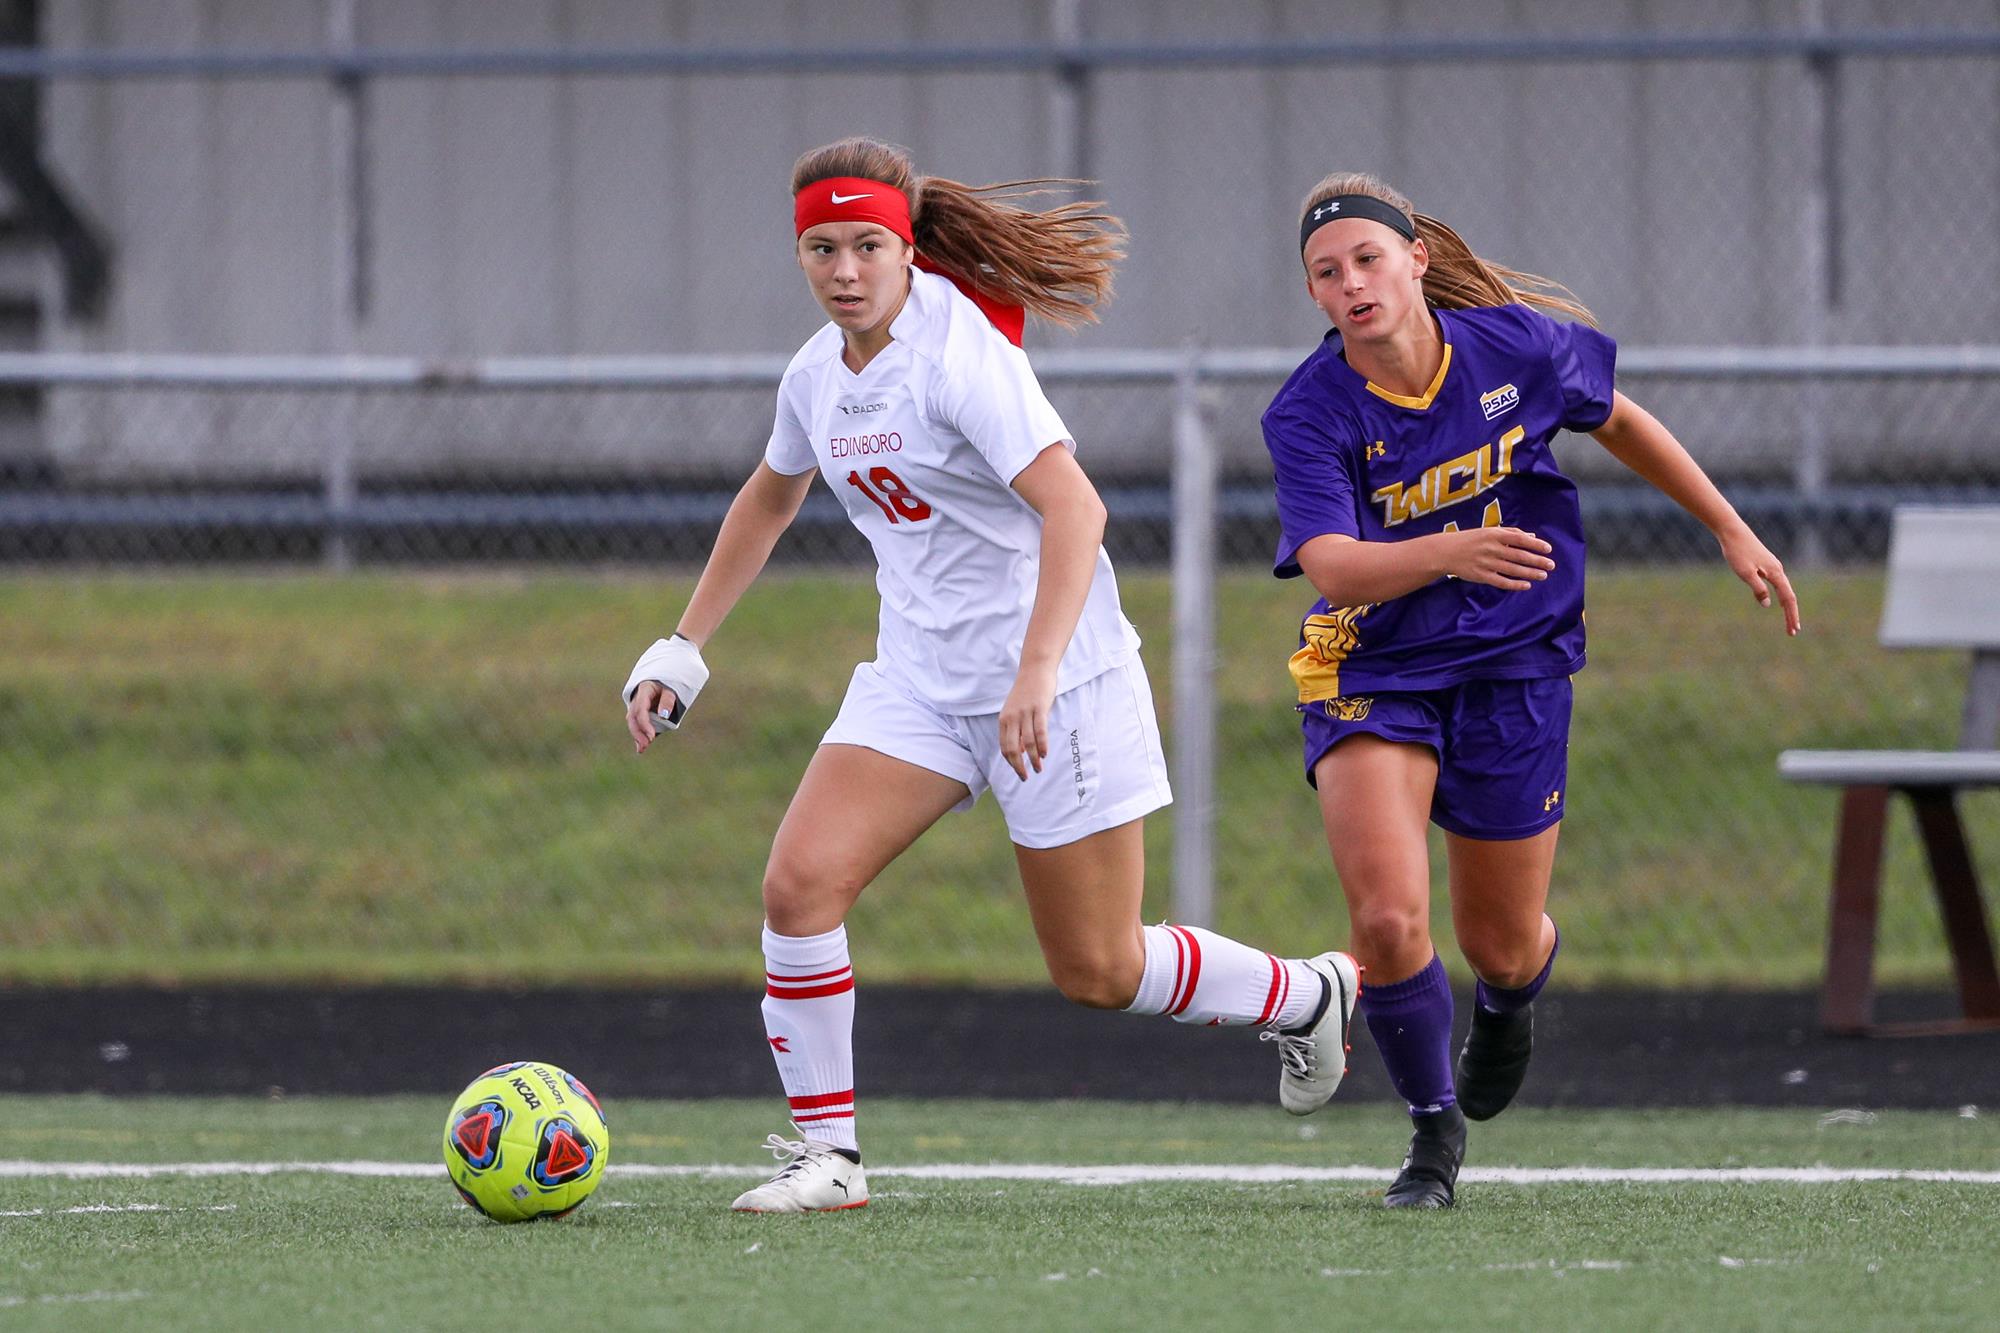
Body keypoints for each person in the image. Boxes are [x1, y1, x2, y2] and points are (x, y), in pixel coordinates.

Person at [621, 137, 1360, 1214]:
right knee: (797, 885)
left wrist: (1035, 668)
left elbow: (1077, 508)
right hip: (918, 682)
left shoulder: (958, 353)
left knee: (1098, 969)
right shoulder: (815, 374)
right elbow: (770, 494)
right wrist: (683, 645)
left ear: (903, 245)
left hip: (1057, 687)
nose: (842, 269)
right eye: (820, 248)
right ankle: (828, 1158)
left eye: (866, 245)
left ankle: (1304, 997)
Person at [1262, 173, 1800, 1209]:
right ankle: (1430, 1135)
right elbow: (1330, 562)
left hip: (1515, 658)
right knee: (1382, 918)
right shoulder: (1308, 409)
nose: (1349, 282)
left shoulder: (1514, 346)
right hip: (1371, 664)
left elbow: (1618, 416)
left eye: (1367, 259)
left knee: (1497, 939)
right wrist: (1448, 548)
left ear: (1415, 261)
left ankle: (1507, 1000)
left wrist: (1726, 526)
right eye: (1325, 274)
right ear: (1316, 298)